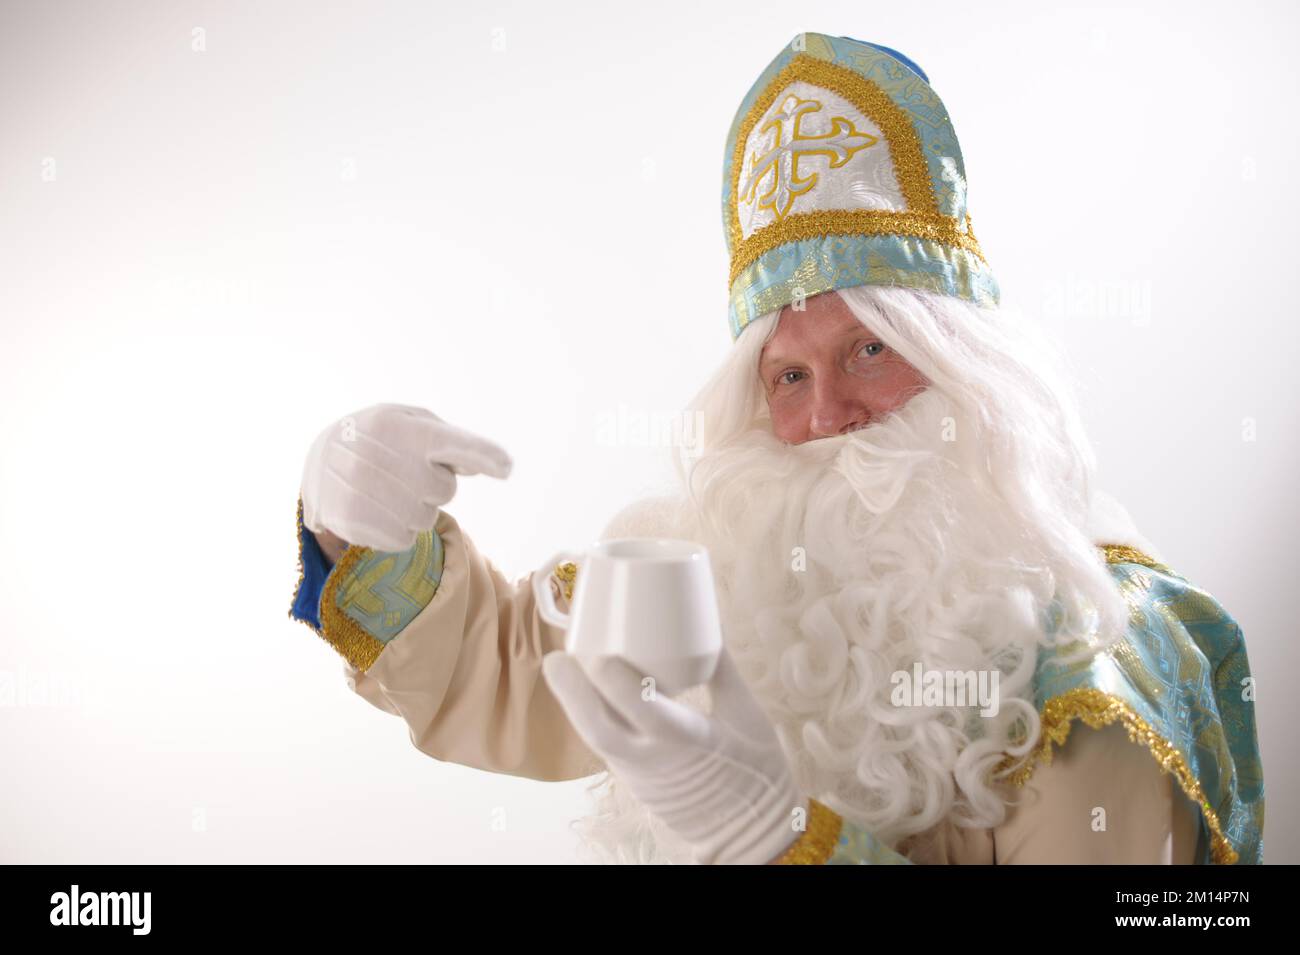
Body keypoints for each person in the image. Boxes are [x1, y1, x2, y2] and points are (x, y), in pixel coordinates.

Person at [288, 32, 1263, 865]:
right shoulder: (738, 563)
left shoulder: (1101, 665)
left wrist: (777, 835)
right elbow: (505, 670)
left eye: (869, 350)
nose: (827, 414)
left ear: (964, 366)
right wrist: (362, 524)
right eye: (788, 376)